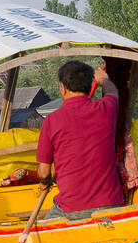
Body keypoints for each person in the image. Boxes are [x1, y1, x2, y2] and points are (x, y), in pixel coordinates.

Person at [36, 60, 123, 219]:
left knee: (41, 227)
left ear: (62, 87)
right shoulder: (107, 108)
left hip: (72, 209)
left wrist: (44, 183)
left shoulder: (51, 120)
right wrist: (104, 80)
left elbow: (43, 172)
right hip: (112, 204)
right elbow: (113, 92)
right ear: (91, 86)